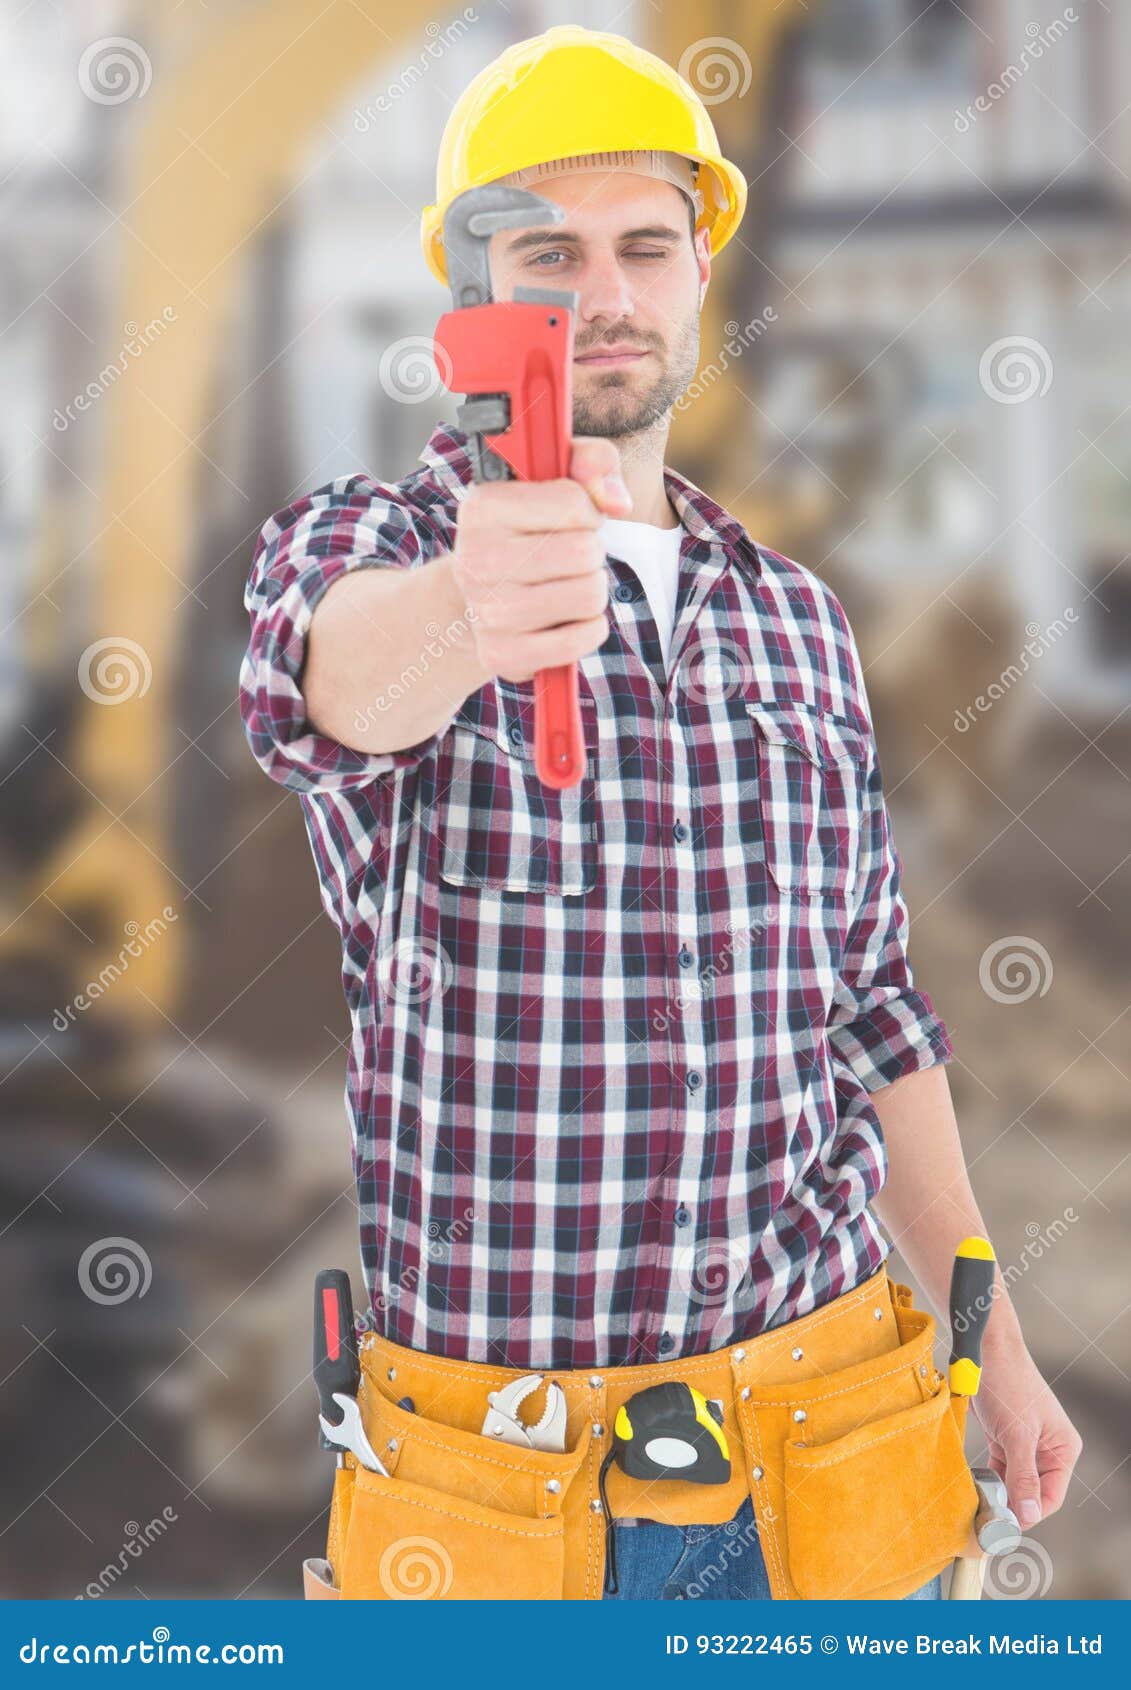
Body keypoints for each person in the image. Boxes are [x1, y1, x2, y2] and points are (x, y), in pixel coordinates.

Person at [240, 24, 1080, 1603]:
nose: (603, 293)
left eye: (644, 244)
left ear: (702, 272)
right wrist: (469, 612)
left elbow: (874, 1018)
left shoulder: (802, 622)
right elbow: (319, 690)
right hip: (507, 1481)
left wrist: (1004, 1342)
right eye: (546, 251)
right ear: (468, 298)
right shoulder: (365, 541)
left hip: (835, 1441)